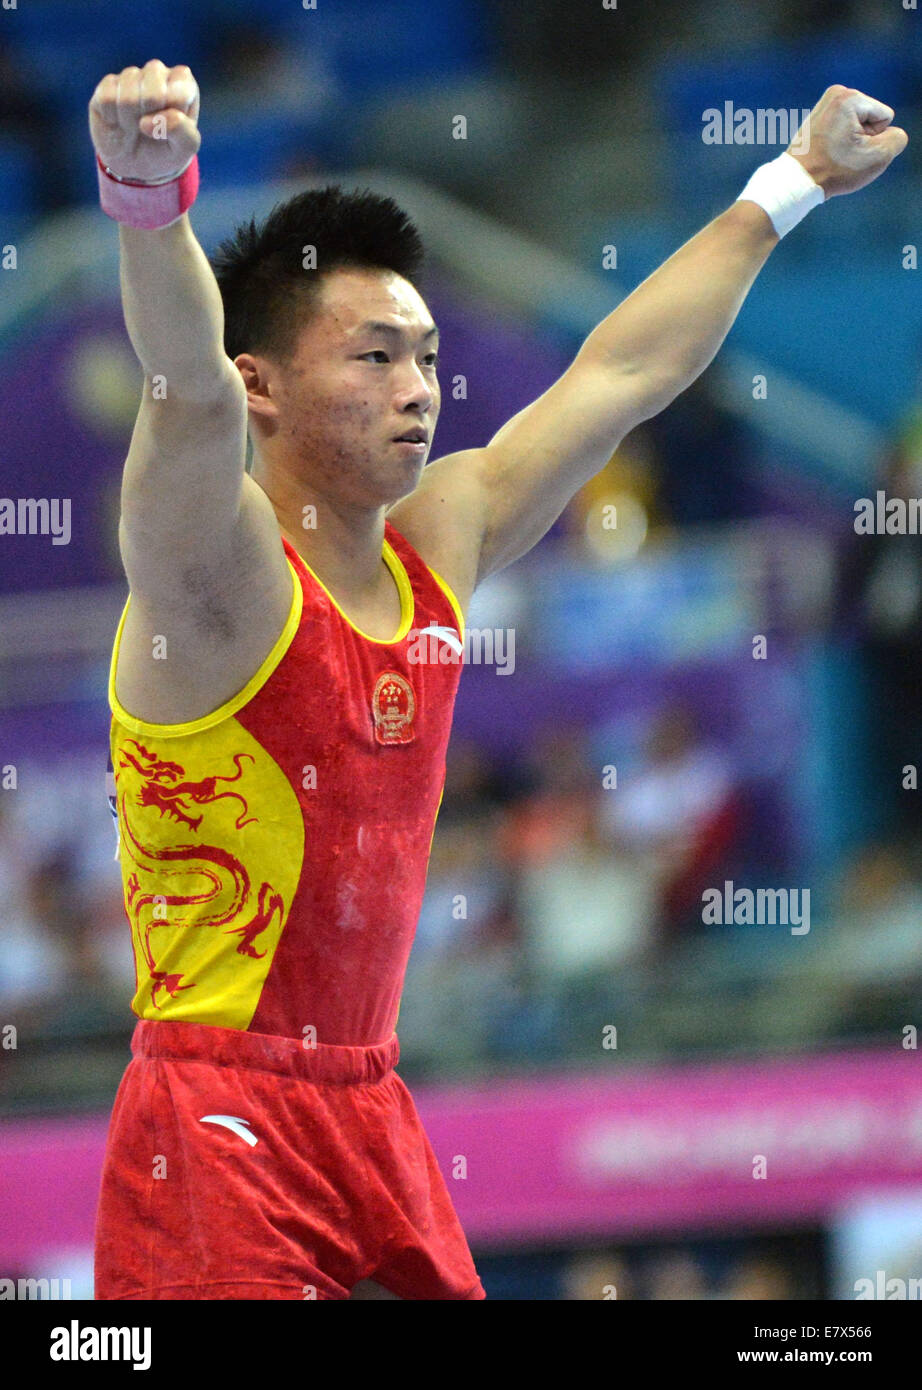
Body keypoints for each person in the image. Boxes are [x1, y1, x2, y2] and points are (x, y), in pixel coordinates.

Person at [88, 59, 906, 1301]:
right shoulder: (214, 577)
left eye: (422, 355)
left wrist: (789, 182)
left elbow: (623, 373)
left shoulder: (441, 535)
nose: (417, 388)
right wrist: (150, 207)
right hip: (217, 1117)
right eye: (370, 358)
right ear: (265, 382)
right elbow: (187, 402)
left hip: (372, 1101)